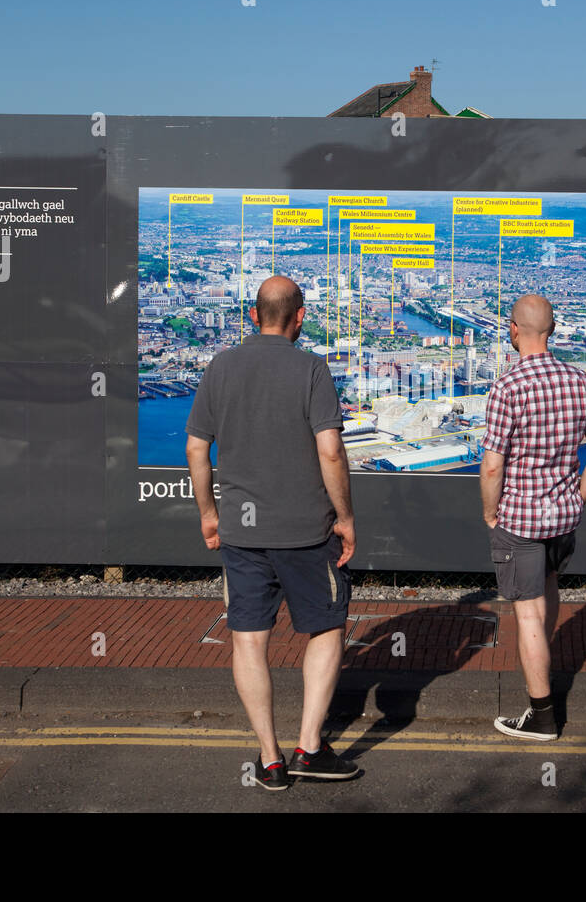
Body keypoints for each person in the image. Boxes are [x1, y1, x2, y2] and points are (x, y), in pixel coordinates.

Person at [185, 275, 360, 790]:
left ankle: (271, 758)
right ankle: (309, 746)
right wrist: (345, 518)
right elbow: (330, 450)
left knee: (248, 639)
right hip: (308, 530)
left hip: (242, 530)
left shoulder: (220, 366)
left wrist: (208, 512)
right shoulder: (311, 368)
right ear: (300, 316)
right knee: (326, 629)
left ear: (253, 315)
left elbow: (198, 450)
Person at [481, 295, 586, 741]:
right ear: (552, 329)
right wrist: (575, 499)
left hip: (519, 520)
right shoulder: (584, 382)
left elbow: (493, 464)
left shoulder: (507, 387)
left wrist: (489, 513)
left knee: (527, 615)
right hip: (563, 520)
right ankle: (543, 672)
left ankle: (541, 715)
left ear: (513, 330)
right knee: (549, 591)